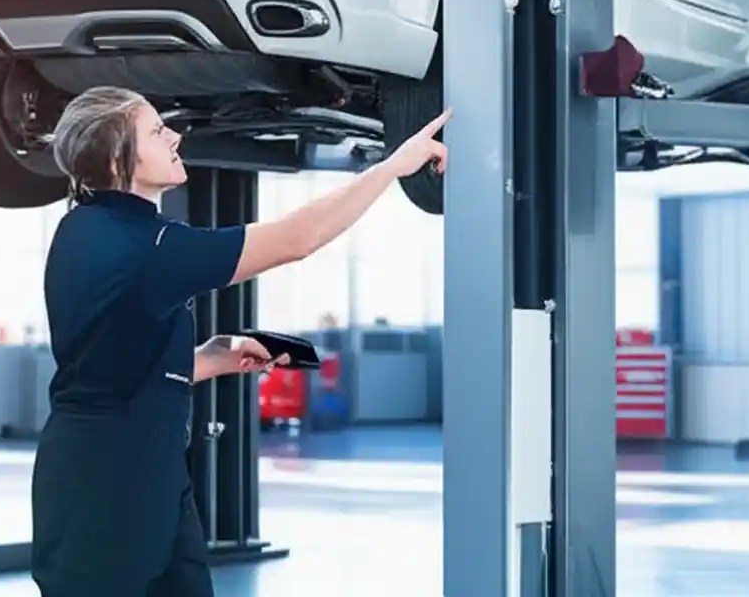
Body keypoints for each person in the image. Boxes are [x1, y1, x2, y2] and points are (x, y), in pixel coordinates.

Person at [30, 85, 450, 596]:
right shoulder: (147, 246)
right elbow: (298, 238)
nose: (176, 136)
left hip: (135, 471)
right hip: (111, 485)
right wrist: (392, 166)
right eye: (158, 131)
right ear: (120, 154)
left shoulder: (84, 228)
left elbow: (107, 358)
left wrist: (204, 360)